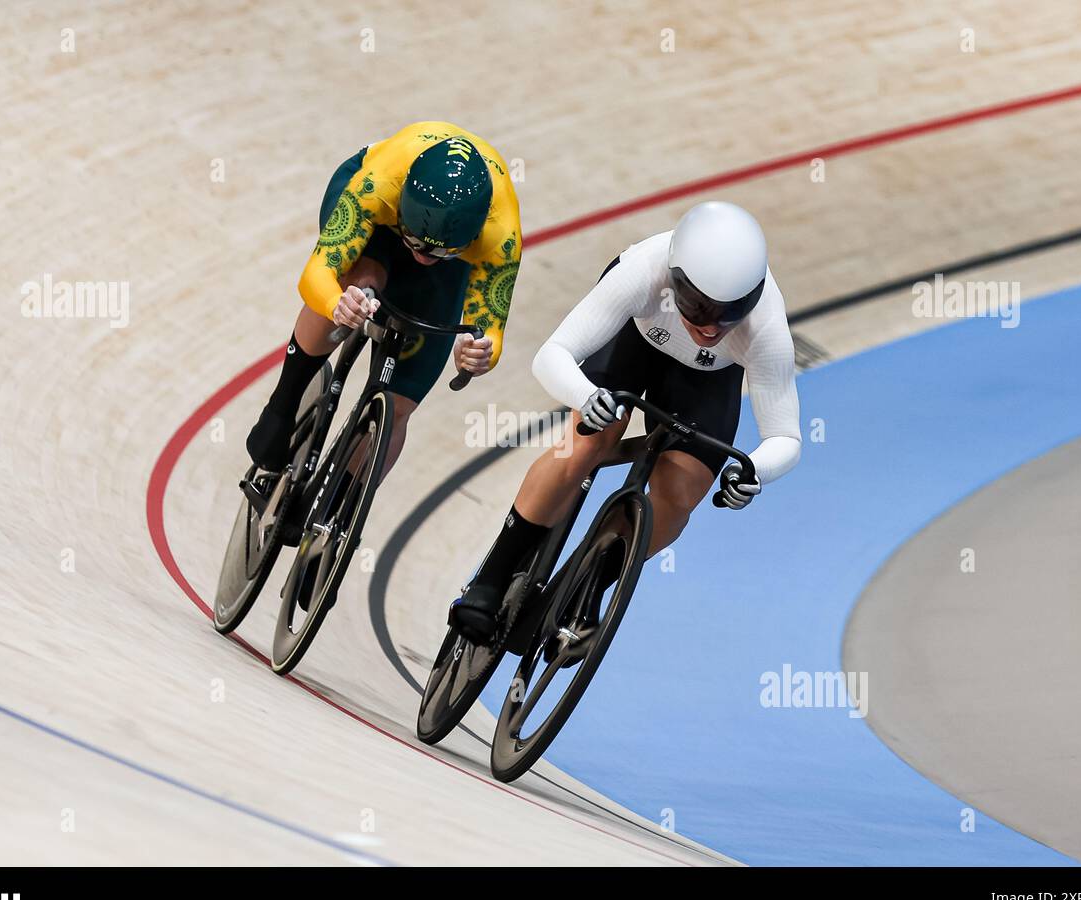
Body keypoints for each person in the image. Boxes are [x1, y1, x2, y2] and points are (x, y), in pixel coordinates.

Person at [452, 201, 801, 642]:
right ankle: (491, 578)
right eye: (697, 309)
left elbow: (784, 436)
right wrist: (585, 396)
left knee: (681, 490)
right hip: (632, 340)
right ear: (674, 281)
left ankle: (590, 584)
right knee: (585, 443)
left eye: (728, 314)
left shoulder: (765, 326)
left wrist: (754, 470)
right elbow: (552, 355)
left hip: (706, 380)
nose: (711, 329)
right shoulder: (643, 270)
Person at [245, 121, 522, 495]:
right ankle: (283, 403)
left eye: (440, 251)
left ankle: (341, 506)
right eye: (417, 242)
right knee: (360, 280)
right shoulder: (380, 184)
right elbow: (315, 274)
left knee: (399, 405)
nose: (424, 257)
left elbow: (487, 333)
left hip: (436, 242)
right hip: (379, 221)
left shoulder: (500, 234)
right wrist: (336, 303)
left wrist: (478, 354)